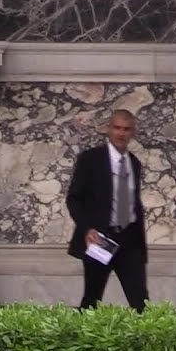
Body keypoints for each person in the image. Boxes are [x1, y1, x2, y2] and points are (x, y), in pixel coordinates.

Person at [66, 108, 148, 312]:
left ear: (132, 132)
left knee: (140, 302)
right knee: (92, 298)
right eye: (117, 128)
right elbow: (74, 198)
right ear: (108, 129)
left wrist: (141, 246)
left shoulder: (134, 163)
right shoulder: (91, 159)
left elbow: (133, 203)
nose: (121, 133)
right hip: (100, 238)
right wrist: (87, 229)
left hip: (129, 240)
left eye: (126, 129)